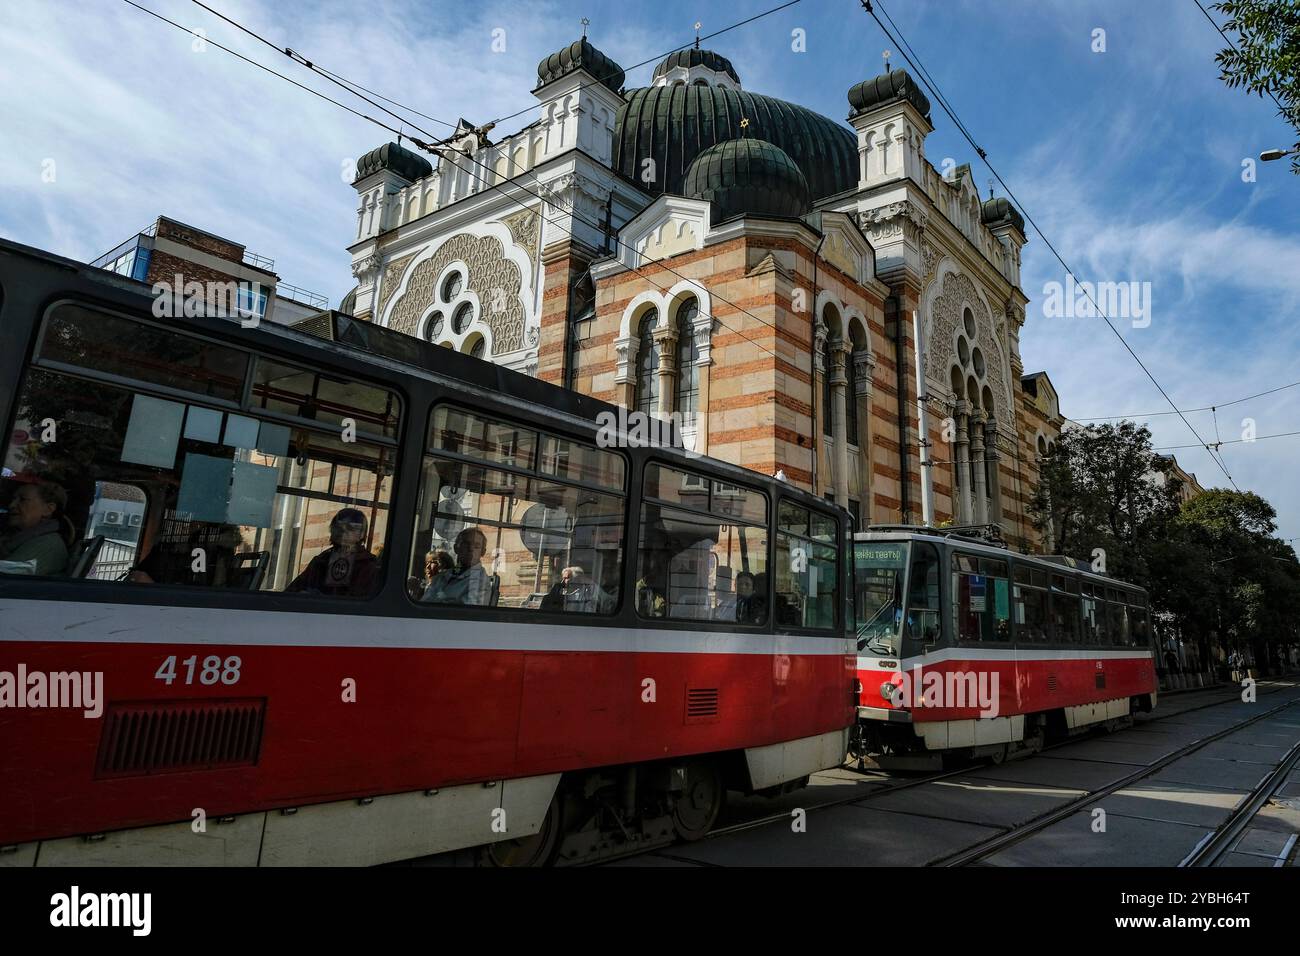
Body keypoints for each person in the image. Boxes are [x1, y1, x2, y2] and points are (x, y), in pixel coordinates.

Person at [285, 508, 379, 597]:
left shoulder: (368, 565)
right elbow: (292, 592)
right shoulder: (321, 561)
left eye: (351, 528)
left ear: (361, 534)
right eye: (339, 527)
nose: (344, 532)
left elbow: (360, 603)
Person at [0, 481, 72, 576]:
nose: (12, 505)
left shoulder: (47, 545)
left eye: (22, 499)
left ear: (48, 509)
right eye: (13, 499)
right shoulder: (16, 538)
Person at [423, 527, 493, 606]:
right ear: (456, 548)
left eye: (476, 546)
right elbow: (424, 602)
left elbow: (462, 613)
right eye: (466, 544)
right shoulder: (442, 576)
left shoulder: (481, 583)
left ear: (483, 552)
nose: (470, 549)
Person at [540, 564, 614, 614]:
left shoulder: (590, 590)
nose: (563, 581)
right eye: (563, 578)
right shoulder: (559, 590)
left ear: (577, 579)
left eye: (567, 578)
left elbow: (607, 602)